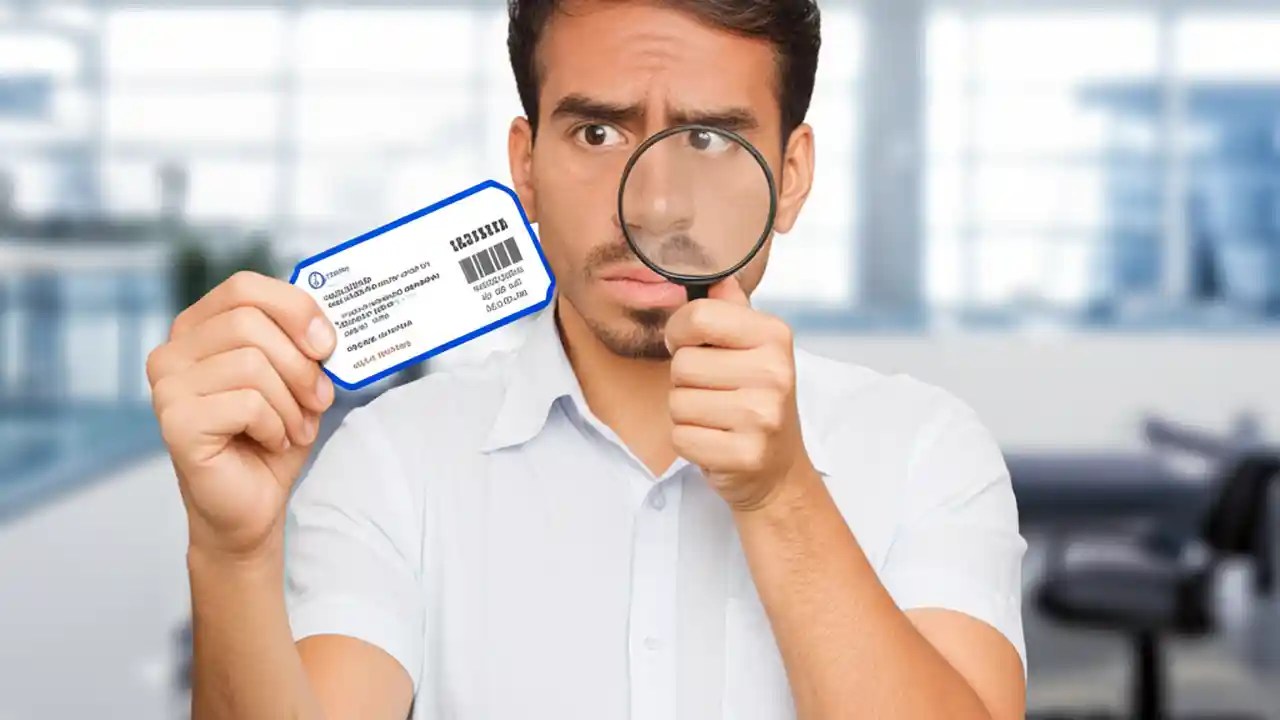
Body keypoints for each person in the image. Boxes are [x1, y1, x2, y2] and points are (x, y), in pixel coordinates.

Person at [146, 1, 1027, 718]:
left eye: (711, 139)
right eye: (598, 135)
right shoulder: (391, 462)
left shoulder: (926, 448)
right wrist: (232, 555)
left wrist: (782, 495)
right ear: (525, 167)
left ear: (790, 176)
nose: (655, 202)